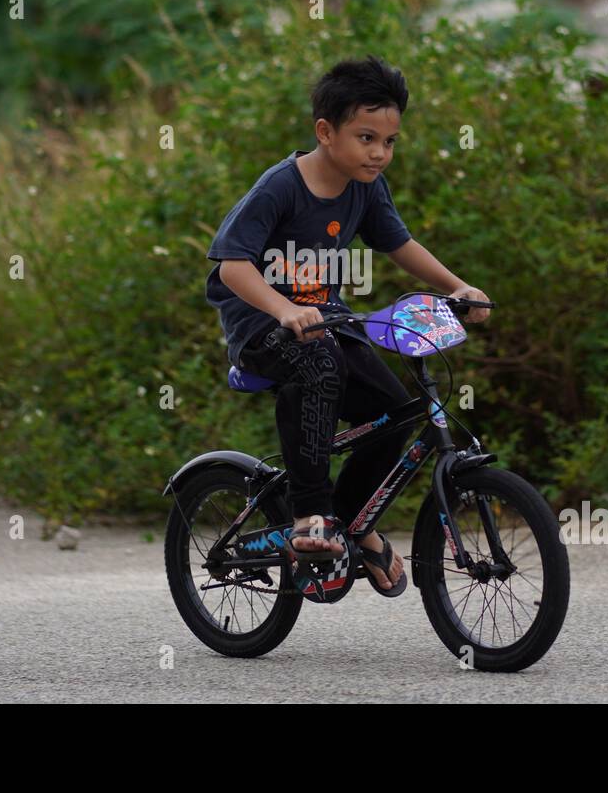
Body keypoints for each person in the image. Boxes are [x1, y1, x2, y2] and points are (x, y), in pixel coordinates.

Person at [204, 54, 490, 594]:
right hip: (261, 329)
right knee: (316, 366)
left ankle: (353, 525)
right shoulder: (280, 187)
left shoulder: (365, 186)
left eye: (389, 141)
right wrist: (285, 309)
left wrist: (457, 287)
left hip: (325, 323)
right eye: (366, 138)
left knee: (397, 413)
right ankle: (310, 515)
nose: (379, 153)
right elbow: (233, 265)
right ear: (325, 131)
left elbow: (398, 243)